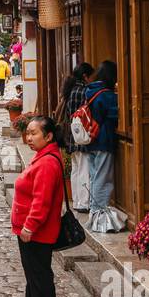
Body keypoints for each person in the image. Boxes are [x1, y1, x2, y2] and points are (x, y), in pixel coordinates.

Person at [12, 115, 66, 297]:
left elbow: (41, 201)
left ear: (49, 136)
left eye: (34, 133)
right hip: (30, 229)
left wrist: (29, 227)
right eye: (28, 133)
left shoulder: (47, 163)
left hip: (37, 232)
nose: (29, 137)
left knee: (40, 275)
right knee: (33, 272)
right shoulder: (42, 157)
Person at [80, 60, 127, 233]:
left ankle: (94, 212)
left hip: (90, 140)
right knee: (102, 178)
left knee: (94, 176)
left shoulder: (90, 90)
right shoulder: (107, 95)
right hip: (104, 140)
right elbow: (115, 115)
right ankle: (99, 215)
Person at [63, 63, 95, 211]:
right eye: (91, 76)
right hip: (80, 135)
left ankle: (76, 201)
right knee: (83, 168)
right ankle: (83, 203)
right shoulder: (83, 91)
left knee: (76, 169)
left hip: (72, 135)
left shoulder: (71, 89)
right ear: (85, 76)